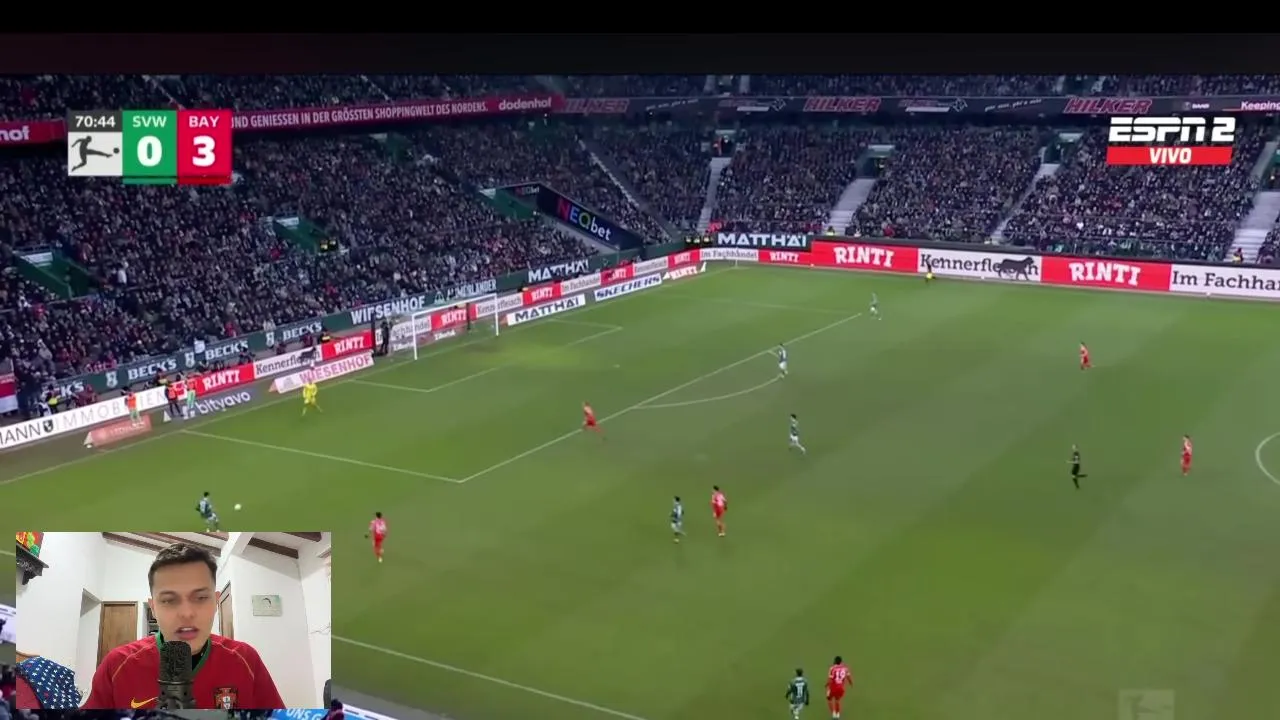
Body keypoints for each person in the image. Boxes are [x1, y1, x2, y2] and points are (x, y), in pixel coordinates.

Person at [83, 543, 285, 710]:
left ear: (216, 602)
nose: (187, 613)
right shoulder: (117, 665)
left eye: (201, 597)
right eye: (169, 600)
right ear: (153, 608)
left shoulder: (246, 659)